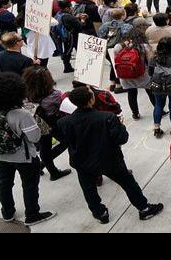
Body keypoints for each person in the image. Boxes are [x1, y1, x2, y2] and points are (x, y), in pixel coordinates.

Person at [58, 86, 164, 223]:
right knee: (128, 183)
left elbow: (65, 140)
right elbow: (122, 138)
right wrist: (121, 126)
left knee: (89, 189)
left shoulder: (64, 122)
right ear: (91, 100)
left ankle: (99, 213)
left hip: (82, 162)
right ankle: (144, 208)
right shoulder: (107, 117)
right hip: (109, 159)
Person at [0, 73, 56, 225]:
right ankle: (32, 214)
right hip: (23, 157)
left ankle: (7, 212)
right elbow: (35, 138)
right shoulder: (22, 114)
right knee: (29, 185)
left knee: (4, 183)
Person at [20, 66, 72, 181]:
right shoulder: (55, 95)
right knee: (67, 141)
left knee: (45, 146)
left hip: (37, 125)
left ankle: (51, 170)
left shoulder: (24, 96)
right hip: (53, 125)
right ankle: (45, 166)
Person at [112, 28, 154, 121]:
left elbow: (115, 57)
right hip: (142, 74)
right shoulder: (144, 46)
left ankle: (135, 114)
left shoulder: (118, 46)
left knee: (131, 93)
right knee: (150, 92)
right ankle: (159, 110)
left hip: (125, 75)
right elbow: (151, 61)